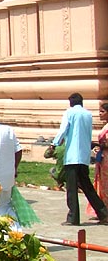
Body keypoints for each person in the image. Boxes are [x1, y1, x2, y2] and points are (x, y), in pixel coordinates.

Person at [52, 93, 108, 226]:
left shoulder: (69, 113)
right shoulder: (88, 115)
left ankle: (73, 218)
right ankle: (104, 214)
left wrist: (54, 143)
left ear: (70, 103)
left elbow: (63, 129)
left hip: (72, 156)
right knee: (87, 187)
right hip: (83, 156)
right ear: (81, 102)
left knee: (71, 188)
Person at [86, 102, 108, 219]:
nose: (100, 114)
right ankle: (102, 208)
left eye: (102, 111)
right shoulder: (105, 126)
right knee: (100, 182)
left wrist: (100, 145)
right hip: (102, 158)